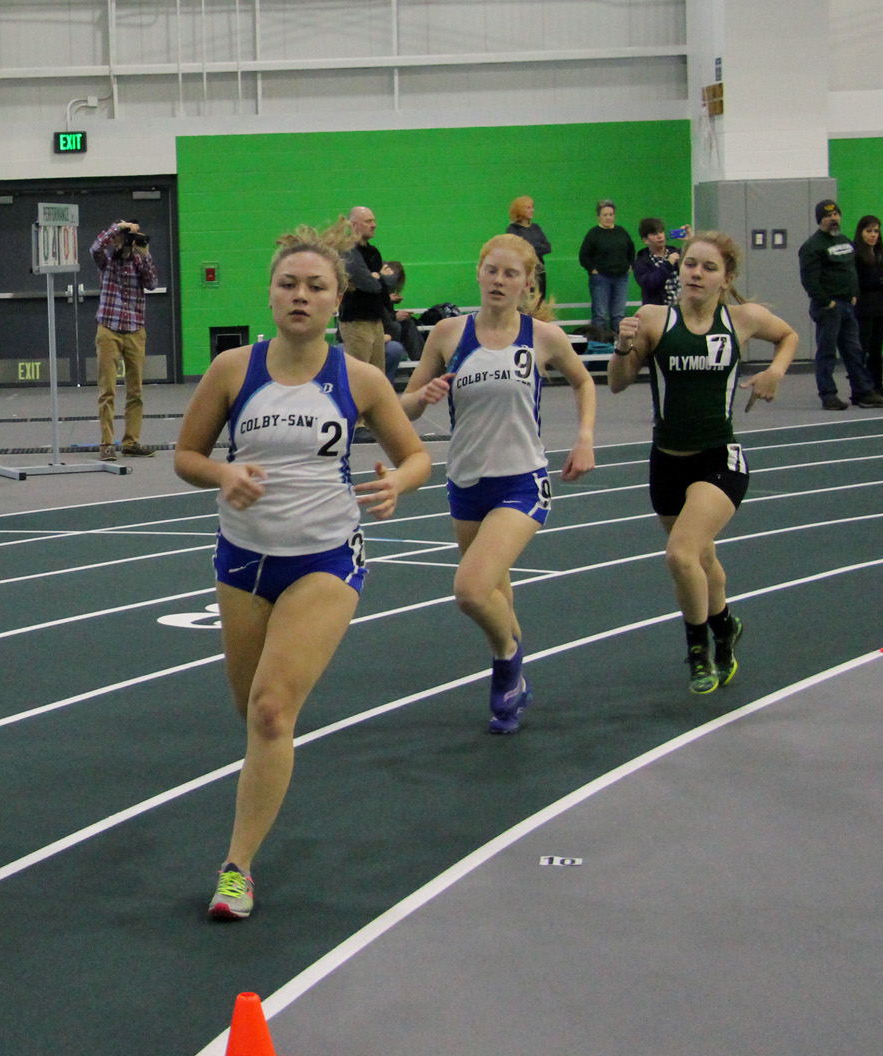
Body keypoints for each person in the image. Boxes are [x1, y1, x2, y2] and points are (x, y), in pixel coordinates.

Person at [175, 218, 432, 921]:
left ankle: (237, 868)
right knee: (253, 714)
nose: (300, 295)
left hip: (323, 554)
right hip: (242, 557)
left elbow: (416, 455)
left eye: (316, 286)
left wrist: (397, 484)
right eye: (288, 283)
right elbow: (185, 456)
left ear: (335, 299)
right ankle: (273, 763)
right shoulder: (235, 370)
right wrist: (223, 471)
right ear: (270, 294)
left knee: (269, 708)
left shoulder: (361, 378)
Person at [400, 234, 597, 734]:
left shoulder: (542, 336)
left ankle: (508, 665)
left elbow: (583, 380)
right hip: (466, 482)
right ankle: (514, 678)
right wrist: (424, 393)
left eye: (511, 274)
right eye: (492, 270)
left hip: (522, 482)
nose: (499, 281)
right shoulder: (447, 333)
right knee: (497, 597)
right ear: (479, 272)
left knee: (470, 590)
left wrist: (585, 438)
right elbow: (402, 407)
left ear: (527, 285)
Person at [607, 231, 799, 695]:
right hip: (667, 462)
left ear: (725, 278)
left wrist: (775, 371)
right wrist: (621, 345)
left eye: (708, 268)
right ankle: (726, 626)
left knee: (681, 555)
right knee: (703, 557)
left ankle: (699, 651)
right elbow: (616, 383)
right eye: (690, 264)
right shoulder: (653, 319)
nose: (696, 273)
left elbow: (788, 335)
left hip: (719, 457)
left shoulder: (742, 319)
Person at [797, 199, 883, 410]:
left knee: (854, 351)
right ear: (820, 219)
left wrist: (854, 294)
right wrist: (827, 302)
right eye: (828, 216)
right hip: (829, 308)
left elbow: (852, 270)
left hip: (848, 306)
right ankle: (828, 395)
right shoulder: (812, 246)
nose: (833, 218)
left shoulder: (845, 241)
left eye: (836, 214)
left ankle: (863, 392)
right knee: (827, 352)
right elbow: (809, 281)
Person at [90, 218, 160, 461]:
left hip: (134, 331)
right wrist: (118, 229)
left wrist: (145, 254)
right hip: (108, 329)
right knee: (107, 390)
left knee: (135, 391)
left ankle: (131, 441)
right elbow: (95, 248)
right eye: (125, 237)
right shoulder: (107, 259)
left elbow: (152, 283)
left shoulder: (139, 261)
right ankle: (107, 443)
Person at [337, 205, 395, 370]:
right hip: (356, 322)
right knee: (359, 374)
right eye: (368, 221)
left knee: (378, 374)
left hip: (376, 321)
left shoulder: (374, 252)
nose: (374, 225)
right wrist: (378, 278)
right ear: (354, 225)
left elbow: (390, 282)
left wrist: (378, 278)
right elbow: (369, 284)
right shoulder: (347, 251)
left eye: (374, 221)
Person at [853, 214, 883, 403]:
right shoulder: (856, 255)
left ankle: (878, 388)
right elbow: (861, 282)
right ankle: (860, 390)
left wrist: (882, 284)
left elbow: (878, 279)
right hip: (864, 308)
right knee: (862, 350)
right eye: (869, 231)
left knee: (876, 352)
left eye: (876, 231)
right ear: (861, 232)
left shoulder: (879, 254)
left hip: (880, 307)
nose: (873, 235)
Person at [577, 200, 634, 342]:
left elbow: (631, 250)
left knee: (618, 315)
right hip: (600, 279)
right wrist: (593, 270)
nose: (608, 217)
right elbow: (583, 256)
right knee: (600, 316)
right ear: (598, 217)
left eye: (611, 214)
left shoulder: (622, 232)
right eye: (605, 215)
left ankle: (619, 347)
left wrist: (630, 265)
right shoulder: (593, 234)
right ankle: (598, 348)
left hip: (621, 278)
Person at [505, 196, 552, 298]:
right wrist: (538, 246)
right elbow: (518, 250)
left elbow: (547, 247)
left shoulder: (536, 228)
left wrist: (530, 246)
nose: (532, 210)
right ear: (520, 210)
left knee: (540, 300)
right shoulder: (513, 230)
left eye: (532, 207)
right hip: (523, 272)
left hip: (539, 271)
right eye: (528, 208)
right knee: (526, 300)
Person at [631, 217, 682, 310]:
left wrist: (691, 240)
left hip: (681, 309)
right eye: (654, 234)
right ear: (645, 240)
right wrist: (668, 264)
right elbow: (650, 285)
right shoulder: (641, 263)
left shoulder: (676, 253)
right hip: (659, 311)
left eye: (661, 232)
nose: (660, 236)